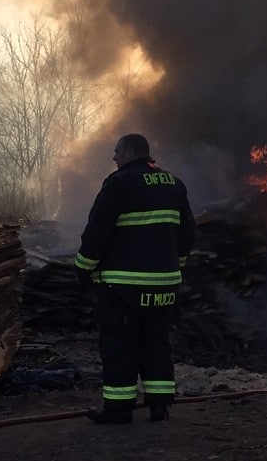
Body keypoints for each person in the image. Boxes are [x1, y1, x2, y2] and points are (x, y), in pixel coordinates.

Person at [75, 133, 195, 424]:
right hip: (165, 286)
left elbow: (97, 232)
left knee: (120, 346)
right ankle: (159, 406)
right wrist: (174, 267)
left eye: (117, 151)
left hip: (124, 288)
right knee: (157, 342)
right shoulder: (173, 183)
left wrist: (83, 268)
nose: (113, 157)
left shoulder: (118, 184)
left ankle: (119, 409)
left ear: (129, 152)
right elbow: (188, 233)